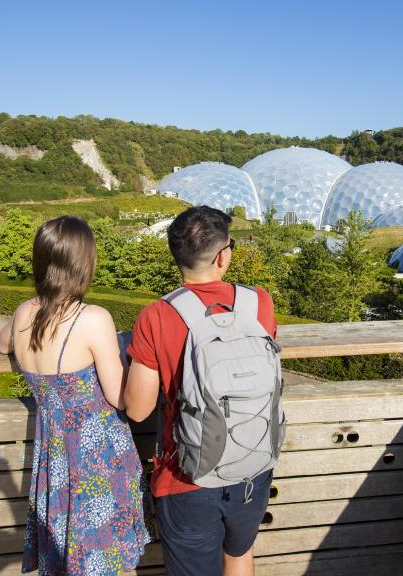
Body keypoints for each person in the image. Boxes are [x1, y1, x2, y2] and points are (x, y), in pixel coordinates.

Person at [125, 206, 279, 576]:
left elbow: (138, 409)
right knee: (240, 554)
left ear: (176, 255)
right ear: (223, 255)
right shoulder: (259, 302)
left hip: (187, 475)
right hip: (252, 463)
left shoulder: (157, 316)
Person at [0, 215, 150, 575]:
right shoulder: (93, 318)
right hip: (99, 457)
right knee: (110, 561)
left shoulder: (23, 313)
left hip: (55, 459)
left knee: (67, 557)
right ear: (84, 263)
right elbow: (119, 398)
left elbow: (3, 343)